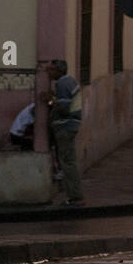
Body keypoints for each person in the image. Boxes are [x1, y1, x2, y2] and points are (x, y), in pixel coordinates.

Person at [41, 59, 84, 205]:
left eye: (52, 70)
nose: (49, 73)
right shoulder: (69, 82)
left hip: (65, 126)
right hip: (70, 126)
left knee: (67, 162)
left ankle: (75, 197)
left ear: (59, 71)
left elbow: (64, 109)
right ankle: (74, 196)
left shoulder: (63, 84)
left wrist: (50, 101)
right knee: (68, 161)